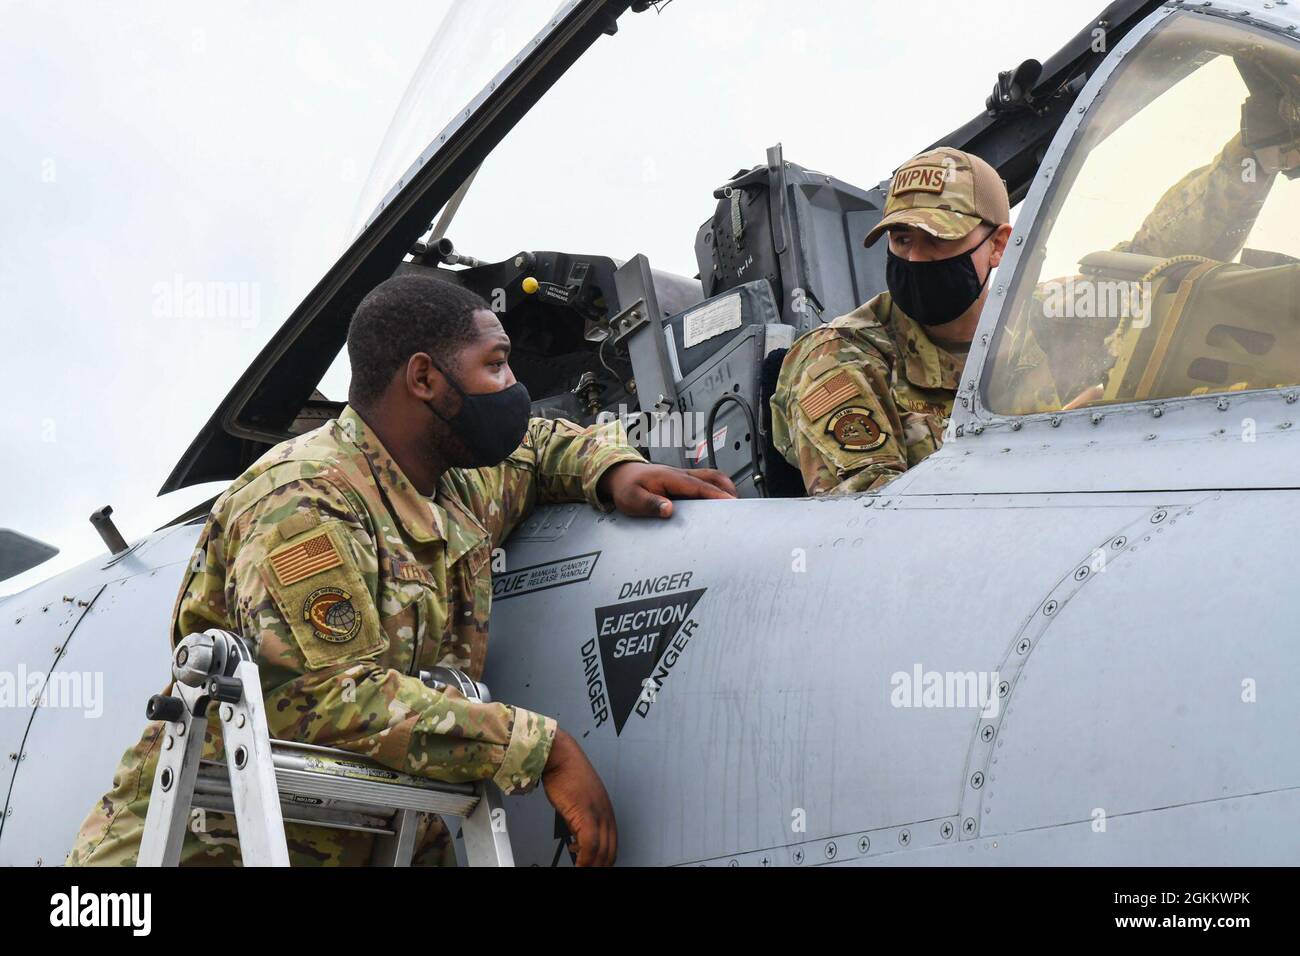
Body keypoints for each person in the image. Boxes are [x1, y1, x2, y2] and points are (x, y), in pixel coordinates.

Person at [68, 274, 735, 867]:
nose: (513, 389)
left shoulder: (451, 483)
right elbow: (328, 701)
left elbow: (537, 446)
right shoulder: (303, 502)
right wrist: (540, 748)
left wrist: (612, 469)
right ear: (423, 379)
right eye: (496, 366)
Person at [770, 133, 1278, 496]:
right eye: (902, 240)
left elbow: (1158, 263)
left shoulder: (1045, 317)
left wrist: (1255, 150)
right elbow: (875, 530)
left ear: (998, 246)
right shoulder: (838, 360)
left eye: (938, 239)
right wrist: (1046, 456)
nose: (915, 260)